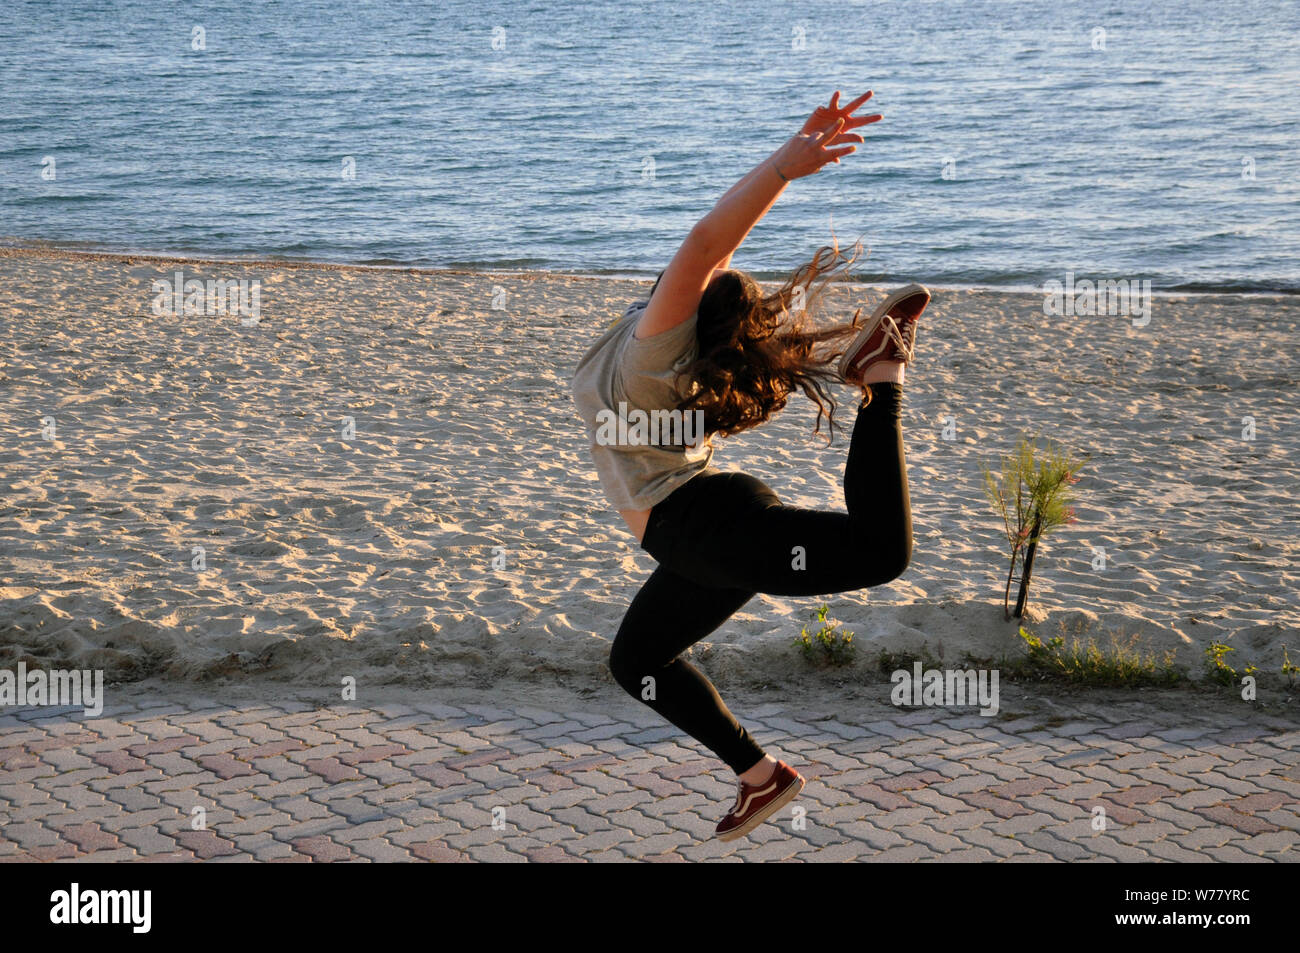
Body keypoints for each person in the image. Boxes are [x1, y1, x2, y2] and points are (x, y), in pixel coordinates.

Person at [571, 90, 931, 841]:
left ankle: (880, 383)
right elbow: (714, 254)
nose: (683, 277)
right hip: (702, 532)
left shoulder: (653, 347)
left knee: (883, 552)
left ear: (688, 310)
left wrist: (786, 166)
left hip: (703, 528)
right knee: (638, 658)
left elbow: (707, 242)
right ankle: (761, 777)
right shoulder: (657, 330)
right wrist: (789, 157)